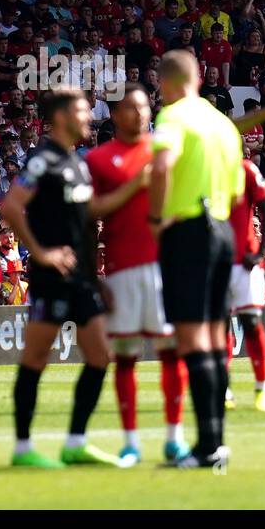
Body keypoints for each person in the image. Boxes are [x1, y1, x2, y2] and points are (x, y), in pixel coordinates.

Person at [0, 88, 119, 469]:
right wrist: (39, 252)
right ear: (64, 115)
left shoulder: (76, 162)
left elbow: (83, 225)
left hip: (81, 276)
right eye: (84, 111)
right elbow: (11, 206)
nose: (90, 117)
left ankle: (76, 442)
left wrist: (95, 276)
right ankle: (22, 449)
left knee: (100, 356)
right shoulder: (42, 160)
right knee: (36, 358)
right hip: (51, 277)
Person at [146, 50, 246, 469]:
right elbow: (239, 191)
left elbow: (162, 164)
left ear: (163, 82)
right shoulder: (222, 123)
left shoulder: (173, 117)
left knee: (192, 341)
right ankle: (215, 444)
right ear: (200, 77)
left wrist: (156, 217)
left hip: (189, 231)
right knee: (210, 338)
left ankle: (207, 448)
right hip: (221, 230)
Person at [84, 83, 191, 466]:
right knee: (126, 355)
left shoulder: (164, 154)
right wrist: (92, 274)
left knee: (170, 352)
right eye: (131, 108)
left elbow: (180, 207)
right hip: (121, 270)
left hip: (163, 268)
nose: (140, 114)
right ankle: (130, 441)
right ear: (114, 115)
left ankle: (174, 439)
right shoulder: (98, 159)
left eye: (144, 107)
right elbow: (89, 213)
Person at [224, 158, 265, 412]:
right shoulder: (199, 166)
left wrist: (259, 251)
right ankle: (224, 389)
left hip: (245, 261)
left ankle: (262, 386)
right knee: (218, 326)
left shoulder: (244, 168)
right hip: (215, 262)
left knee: (251, 322)